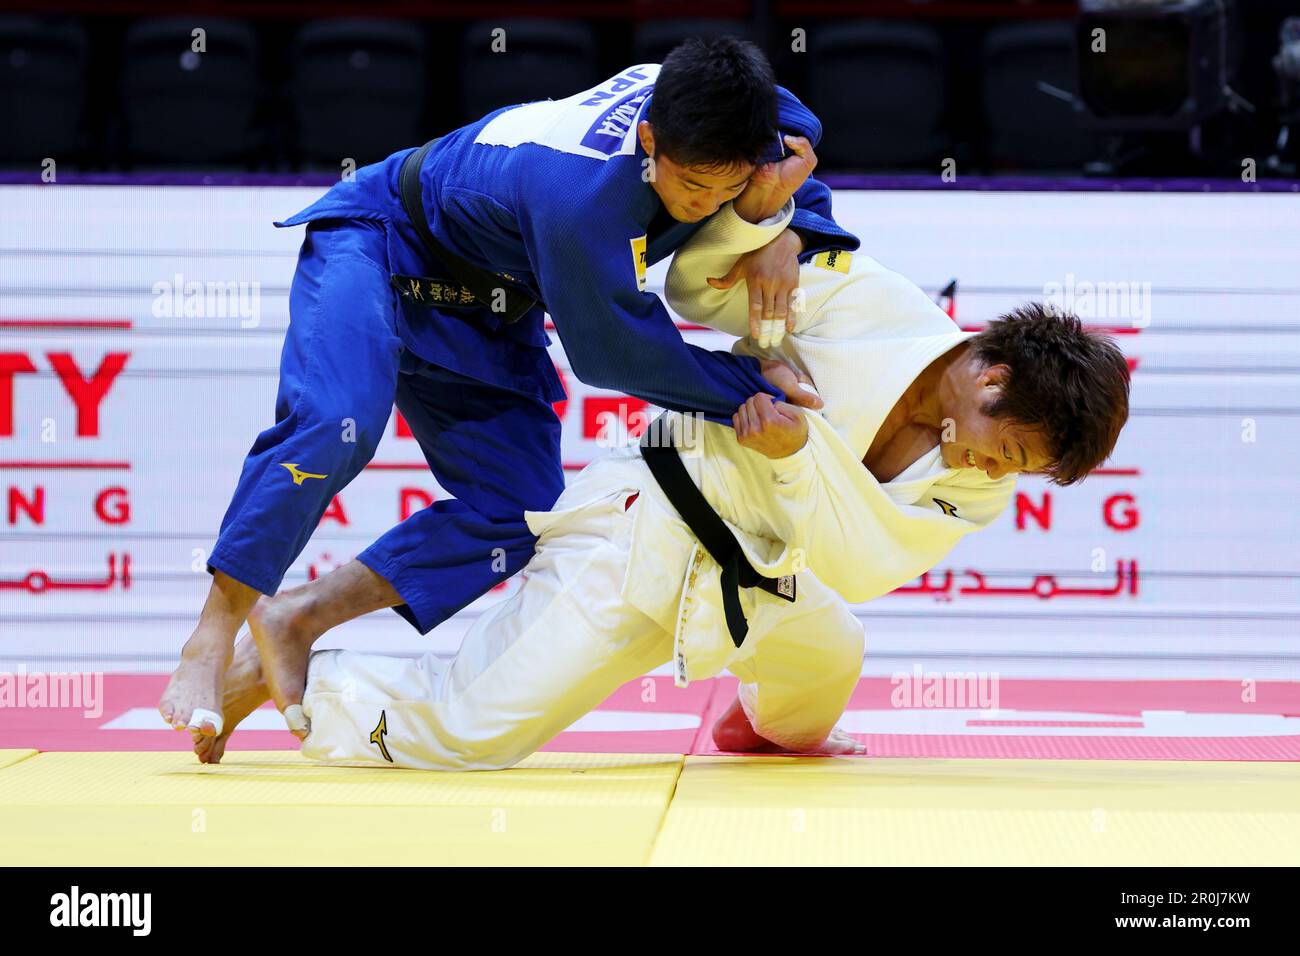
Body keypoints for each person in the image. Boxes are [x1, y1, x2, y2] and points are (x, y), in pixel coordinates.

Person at [197, 197, 1130, 767]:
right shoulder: (865, 301)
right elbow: (688, 282)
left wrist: (797, 459)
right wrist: (771, 236)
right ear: (992, 377)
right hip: (649, 528)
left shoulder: (977, 478)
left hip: (769, 579)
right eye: (1003, 455)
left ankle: (763, 728)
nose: (989, 478)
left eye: (1014, 476)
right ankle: (295, 675)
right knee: (470, 735)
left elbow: (868, 562)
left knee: (829, 655)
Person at [159, 37, 858, 743]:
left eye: (727, 189)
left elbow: (805, 147)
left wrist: (782, 227)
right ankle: (213, 634)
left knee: (516, 511)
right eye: (689, 187)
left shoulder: (737, 108)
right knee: (337, 421)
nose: (706, 204)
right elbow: (616, 355)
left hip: (492, 302)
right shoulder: (582, 196)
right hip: (382, 240)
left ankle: (297, 617)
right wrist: (745, 386)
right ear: (649, 137)